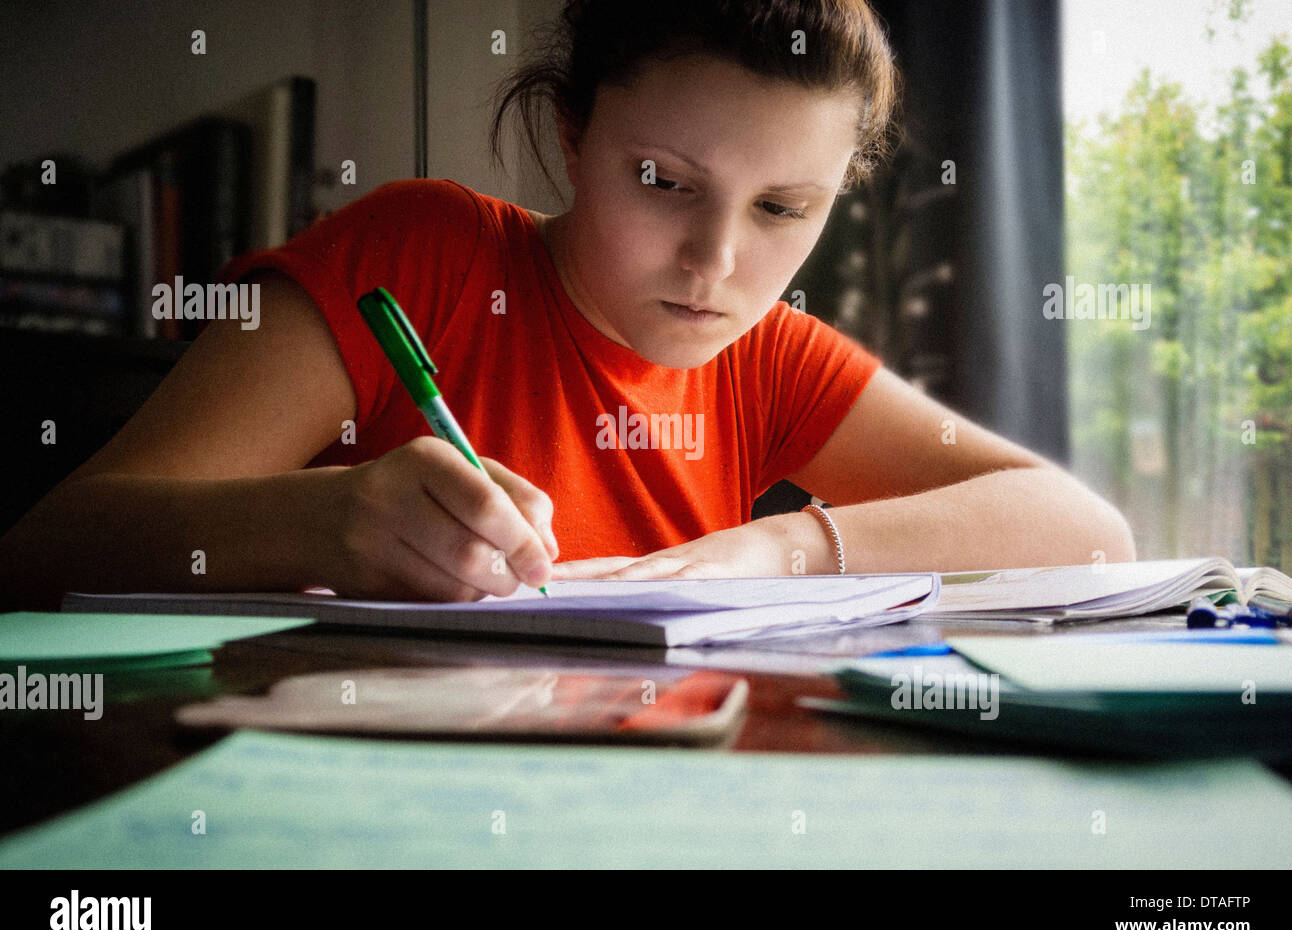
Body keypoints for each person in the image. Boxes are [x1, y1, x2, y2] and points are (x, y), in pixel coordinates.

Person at [0, 0, 1135, 611]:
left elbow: (1085, 533)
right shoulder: (424, 251)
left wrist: (779, 550)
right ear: (571, 135)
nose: (716, 262)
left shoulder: (769, 358)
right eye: (663, 184)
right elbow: (45, 549)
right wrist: (328, 525)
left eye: (785, 207)